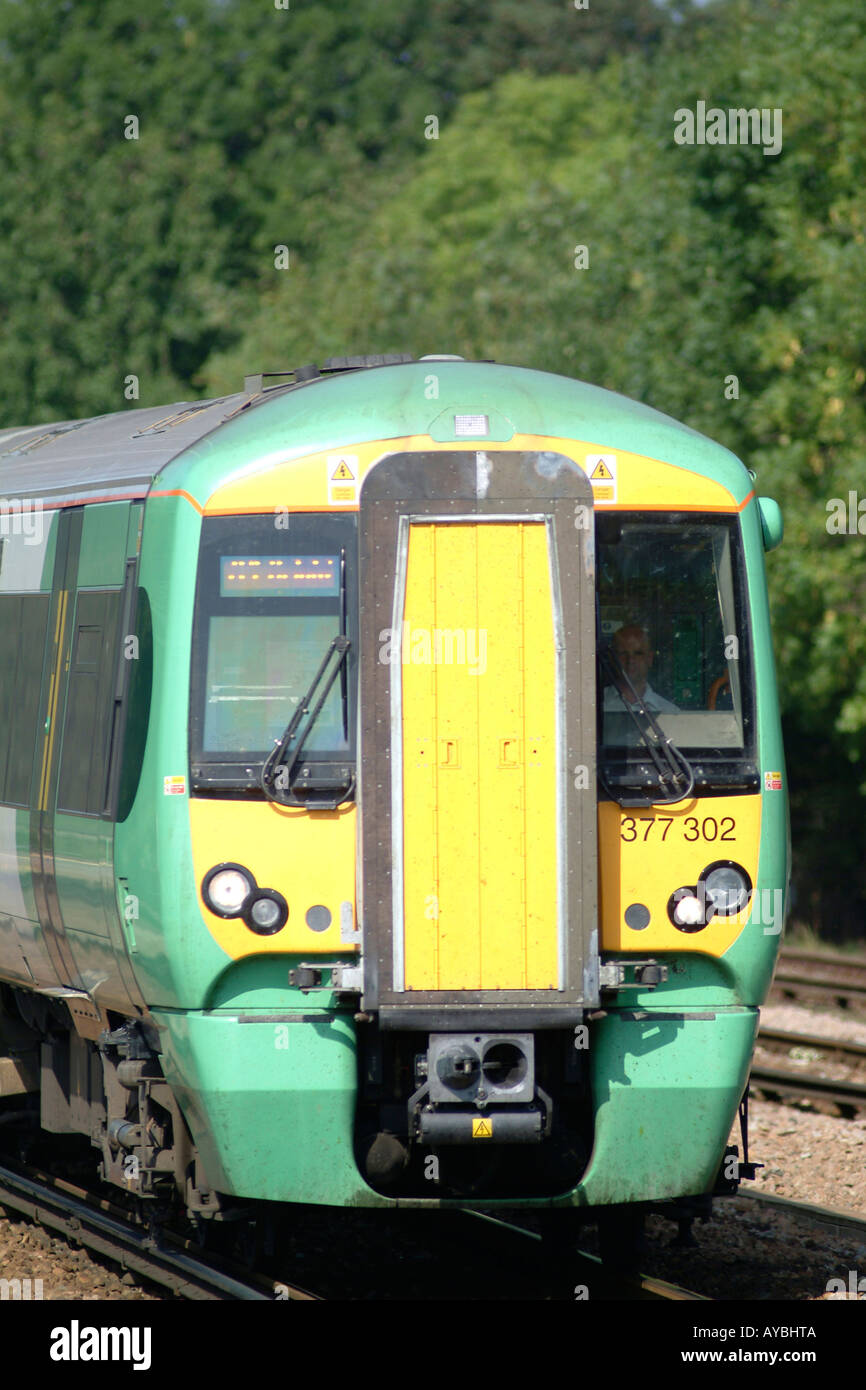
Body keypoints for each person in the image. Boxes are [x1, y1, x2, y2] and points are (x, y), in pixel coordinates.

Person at [603, 624, 679, 714]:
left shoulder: (670, 712)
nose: (631, 660)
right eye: (623, 653)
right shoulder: (595, 702)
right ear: (613, 659)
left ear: (650, 659)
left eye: (638, 653)